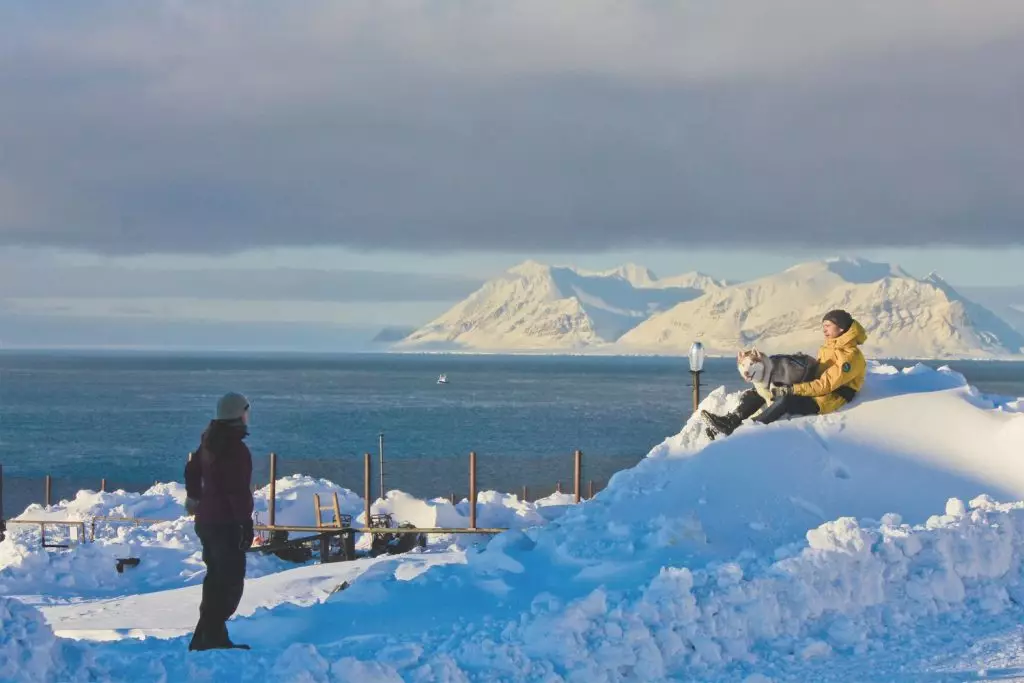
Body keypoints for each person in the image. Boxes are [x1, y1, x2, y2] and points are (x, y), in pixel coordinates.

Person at [702, 309, 868, 438]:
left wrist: (792, 389)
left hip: (826, 400)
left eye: (828, 326)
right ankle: (730, 421)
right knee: (764, 389)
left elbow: (826, 385)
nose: (824, 330)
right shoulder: (830, 346)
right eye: (823, 326)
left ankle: (746, 431)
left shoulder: (850, 356)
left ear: (841, 327)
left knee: (786, 399)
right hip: (815, 391)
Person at [184, 391, 255, 651]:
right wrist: (244, 524)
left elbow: (191, 469)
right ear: (239, 414)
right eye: (246, 410)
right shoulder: (234, 448)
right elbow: (236, 491)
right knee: (230, 582)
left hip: (207, 521)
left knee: (216, 579)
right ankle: (211, 637)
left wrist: (195, 498)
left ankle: (205, 637)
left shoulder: (210, 441)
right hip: (226, 523)